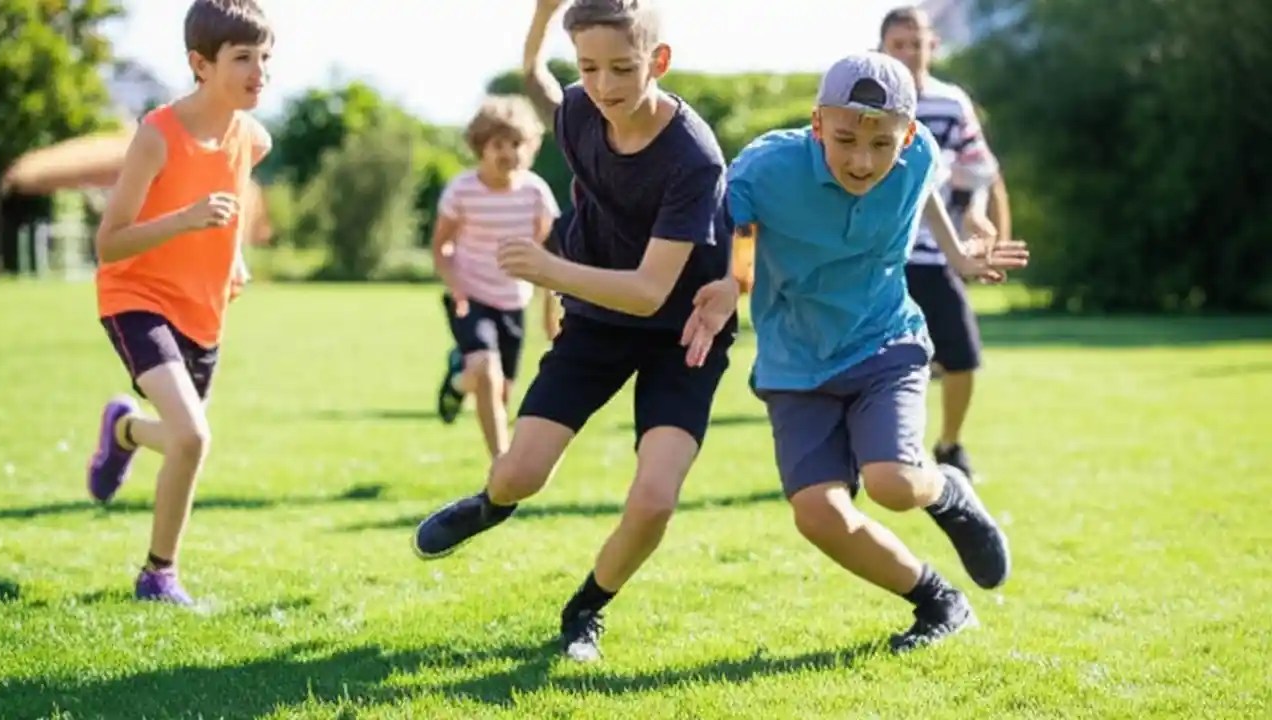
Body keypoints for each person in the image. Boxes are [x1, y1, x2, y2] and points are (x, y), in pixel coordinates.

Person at [414, 0, 735, 662]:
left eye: (623, 68)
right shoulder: (582, 110)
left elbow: (650, 292)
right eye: (588, 68)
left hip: (681, 334)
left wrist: (549, 268)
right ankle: (488, 505)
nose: (605, 86)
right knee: (519, 474)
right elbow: (533, 71)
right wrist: (542, 14)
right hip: (596, 322)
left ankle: (586, 609)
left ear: (660, 62)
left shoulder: (692, 158)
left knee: (654, 500)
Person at [683, 52, 1028, 652]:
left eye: (881, 144)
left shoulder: (918, 154)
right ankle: (940, 603)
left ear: (909, 135)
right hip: (794, 360)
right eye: (844, 139)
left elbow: (922, 192)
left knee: (893, 482)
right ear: (818, 124)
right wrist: (725, 283)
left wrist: (955, 253)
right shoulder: (766, 167)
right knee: (817, 514)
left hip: (884, 341)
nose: (862, 161)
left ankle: (945, 489)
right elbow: (724, 225)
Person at [85, 0, 273, 605]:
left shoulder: (253, 136)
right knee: (193, 438)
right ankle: (157, 575)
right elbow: (109, 244)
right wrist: (187, 220)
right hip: (135, 297)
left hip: (204, 312)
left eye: (265, 58)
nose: (259, 71)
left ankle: (124, 432)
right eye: (243, 58)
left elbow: (235, 196)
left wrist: (235, 253)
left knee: (179, 436)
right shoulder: (156, 136)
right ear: (200, 63)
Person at [879, 5, 1016, 480]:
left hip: (935, 253)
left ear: (933, 45)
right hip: (875, 258)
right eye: (900, 44)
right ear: (882, 47)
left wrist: (976, 215)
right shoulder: (863, 99)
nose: (910, 53)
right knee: (870, 361)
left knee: (962, 356)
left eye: (918, 43)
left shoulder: (951, 103)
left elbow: (976, 172)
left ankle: (949, 446)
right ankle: (863, 453)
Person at [433, 94, 562, 460]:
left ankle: (457, 380)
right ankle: (501, 466)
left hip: (512, 301)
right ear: (481, 147)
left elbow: (547, 256)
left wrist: (549, 311)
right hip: (471, 296)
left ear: (532, 147)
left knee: (501, 390)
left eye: (518, 144)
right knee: (486, 371)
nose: (509, 153)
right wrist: (456, 287)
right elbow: (441, 247)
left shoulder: (536, 192)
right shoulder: (462, 190)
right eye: (499, 144)